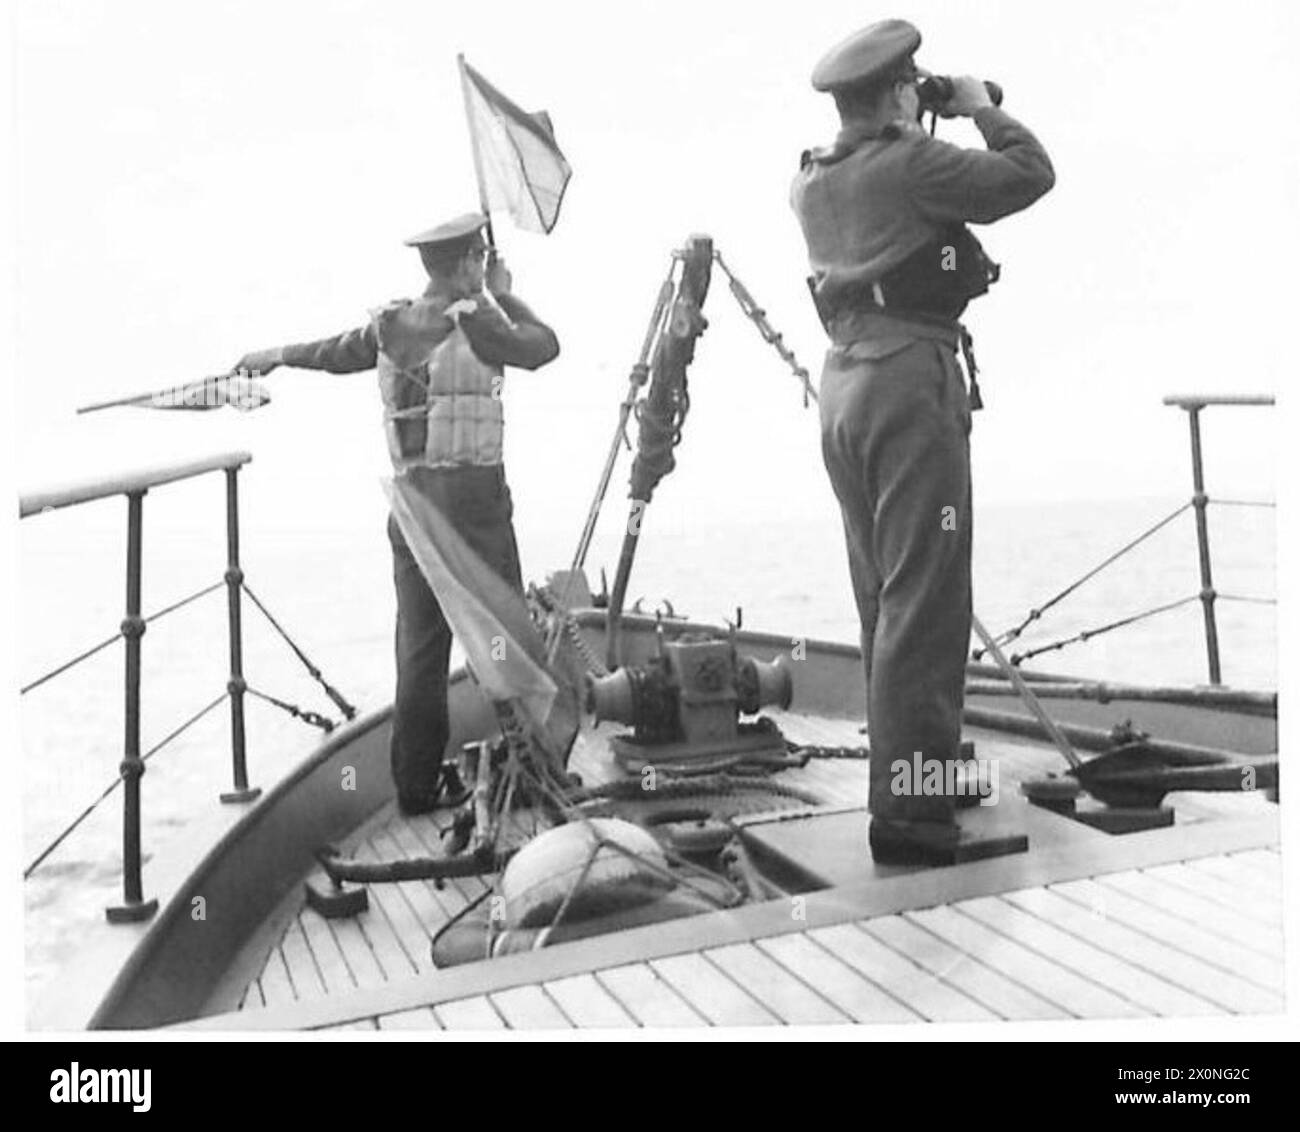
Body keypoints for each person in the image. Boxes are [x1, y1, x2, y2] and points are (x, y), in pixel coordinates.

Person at [790, 19, 1054, 863]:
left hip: (846, 387)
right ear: (898, 90)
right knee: (928, 600)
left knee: (886, 599)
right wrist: (979, 109)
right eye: (913, 84)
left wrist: (917, 112)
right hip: (908, 383)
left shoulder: (812, 179)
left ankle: (918, 779)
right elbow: (1029, 176)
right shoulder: (909, 164)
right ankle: (910, 816)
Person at [234, 212, 560, 814]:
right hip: (474, 505)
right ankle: (535, 771)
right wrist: (506, 291)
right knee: (506, 638)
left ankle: (415, 786)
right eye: (478, 263)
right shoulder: (480, 320)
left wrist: (274, 354)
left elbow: (331, 353)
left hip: (410, 509)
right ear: (467, 264)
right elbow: (545, 348)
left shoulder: (387, 327)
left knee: (420, 650)